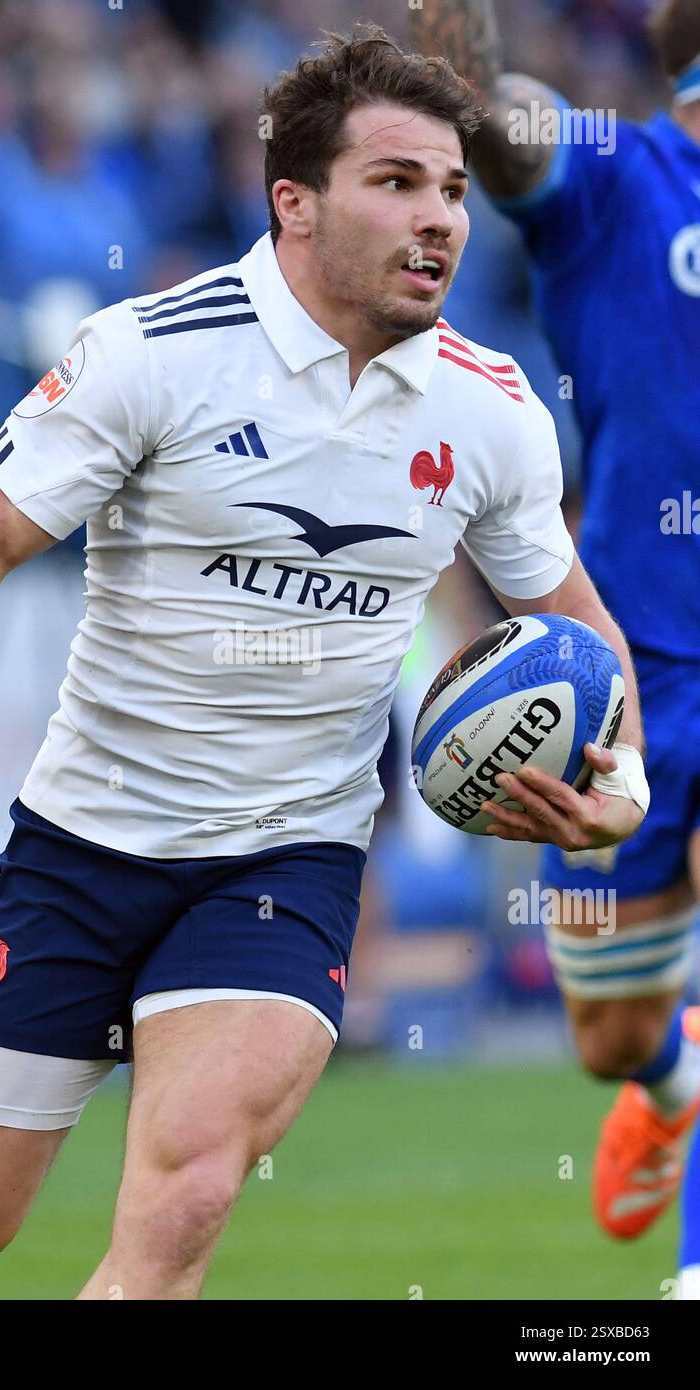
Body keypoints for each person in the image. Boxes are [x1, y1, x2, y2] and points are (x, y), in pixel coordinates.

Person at [0, 26, 648, 1300]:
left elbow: (579, 632)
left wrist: (610, 784)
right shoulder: (156, 351)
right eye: (395, 183)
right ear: (292, 201)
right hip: (81, 845)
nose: (439, 218)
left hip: (287, 857)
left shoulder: (491, 406)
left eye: (452, 189)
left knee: (183, 1191)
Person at [408, 0, 700, 1268]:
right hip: (625, 670)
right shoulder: (621, 172)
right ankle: (668, 1082)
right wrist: (464, 51)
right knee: (611, 1037)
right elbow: (501, 129)